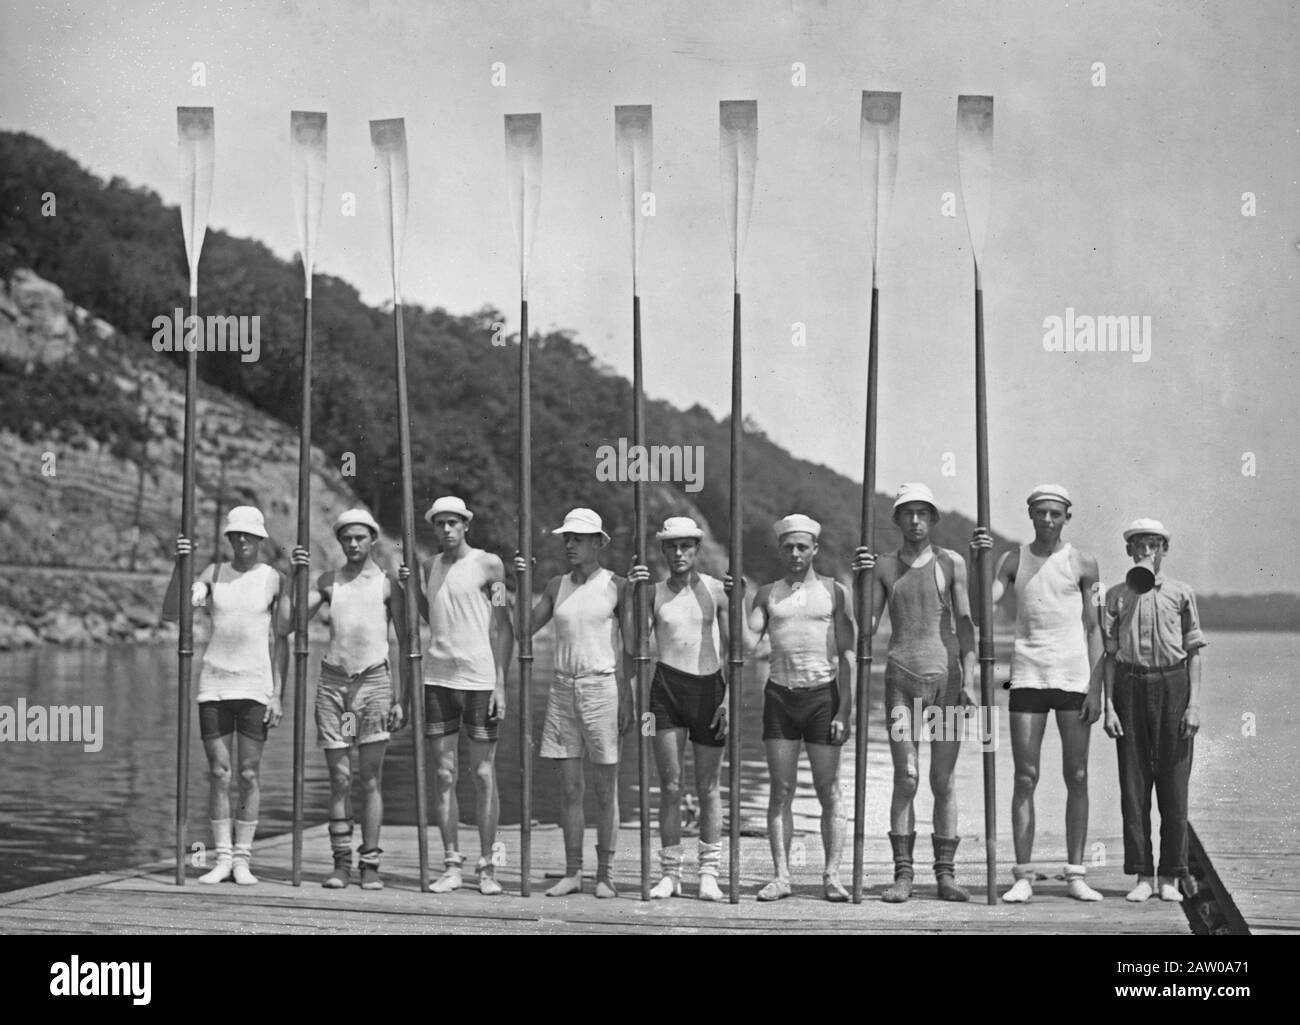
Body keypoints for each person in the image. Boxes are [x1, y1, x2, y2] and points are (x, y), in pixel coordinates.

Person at [971, 484, 1105, 902]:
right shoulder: (1012, 560)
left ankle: (1076, 873)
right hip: (1027, 677)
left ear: (1067, 517)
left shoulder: (1084, 563)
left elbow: (1095, 627)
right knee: (1025, 777)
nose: (1047, 520)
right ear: (1030, 515)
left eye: (1055, 514)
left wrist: (1097, 690)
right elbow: (980, 612)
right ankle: (1024, 875)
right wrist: (980, 559)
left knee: (1077, 775)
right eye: (1040, 513)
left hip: (1073, 680)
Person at [852, 483, 977, 902]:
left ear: (934, 519)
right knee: (907, 777)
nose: (916, 521)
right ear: (897, 520)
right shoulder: (885, 567)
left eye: (923, 513)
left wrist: (971, 681)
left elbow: (966, 627)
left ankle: (945, 875)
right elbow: (866, 630)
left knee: (942, 780)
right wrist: (858, 581)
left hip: (947, 683)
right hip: (901, 683)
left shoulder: (952, 562)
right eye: (908, 513)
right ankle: (903, 875)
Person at [727, 513, 855, 902]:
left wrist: (844, 711)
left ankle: (832, 875)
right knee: (780, 789)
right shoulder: (767, 594)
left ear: (815, 549)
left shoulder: (834, 592)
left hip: (822, 697)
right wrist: (734, 601)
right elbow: (748, 643)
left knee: (827, 788)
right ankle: (782, 876)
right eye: (788, 547)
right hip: (780, 697)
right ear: (781, 550)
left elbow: (849, 654)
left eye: (803, 546)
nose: (796, 553)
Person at [162, 505, 289, 885]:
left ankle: (242, 860)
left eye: (249, 534)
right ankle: (221, 857)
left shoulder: (273, 578)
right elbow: (174, 613)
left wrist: (278, 693)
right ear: (229, 539)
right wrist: (181, 567)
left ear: (261, 539)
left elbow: (284, 637)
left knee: (248, 773)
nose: (242, 540)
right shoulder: (213, 574)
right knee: (219, 773)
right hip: (214, 685)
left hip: (255, 687)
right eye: (235, 535)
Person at [514, 508, 633, 898]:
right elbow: (524, 632)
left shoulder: (617, 585)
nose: (570, 544)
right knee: (569, 789)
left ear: (598, 543)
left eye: (578, 538)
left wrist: (628, 696)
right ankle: (572, 872)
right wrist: (521, 580)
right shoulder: (554, 585)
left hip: (601, 688)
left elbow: (634, 648)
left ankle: (606, 874)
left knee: (605, 789)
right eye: (566, 537)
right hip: (563, 689)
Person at [400, 496, 513, 896]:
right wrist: (409, 587)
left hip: (480, 680)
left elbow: (503, 626)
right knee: (444, 774)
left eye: (453, 523)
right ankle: (451, 864)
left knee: (483, 774)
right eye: (440, 524)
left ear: (466, 525)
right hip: (439, 680)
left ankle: (487, 867)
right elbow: (433, 616)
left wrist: (500, 683)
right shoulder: (429, 566)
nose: (446, 530)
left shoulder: (489, 564)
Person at [290, 508, 406, 891]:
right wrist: (297, 576)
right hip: (335, 685)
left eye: (360, 537)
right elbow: (287, 624)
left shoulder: (389, 584)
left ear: (373, 539)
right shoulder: (327, 582)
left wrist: (401, 698)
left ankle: (369, 864)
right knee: (340, 778)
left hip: (374, 682)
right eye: (346, 538)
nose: (353, 544)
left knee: (370, 778)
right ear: (339, 541)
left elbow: (407, 642)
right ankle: (341, 864)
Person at [1101, 518, 1206, 903]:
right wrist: (1109, 706)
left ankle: (1171, 877)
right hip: (1129, 685)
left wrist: (1193, 704)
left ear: (1164, 550)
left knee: (1174, 785)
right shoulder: (1115, 596)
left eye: (1154, 544)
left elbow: (1194, 652)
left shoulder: (1181, 593)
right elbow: (1109, 657)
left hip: (1174, 685)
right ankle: (1143, 874)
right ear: (1129, 550)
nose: (1146, 551)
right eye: (1139, 545)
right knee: (1134, 784)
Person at [627, 516, 729, 901]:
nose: (679, 553)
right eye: (672, 546)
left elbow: (738, 649)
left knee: (708, 787)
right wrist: (633, 594)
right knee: (669, 786)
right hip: (663, 693)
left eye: (687, 546)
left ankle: (708, 873)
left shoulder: (717, 590)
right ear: (663, 551)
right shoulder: (653, 592)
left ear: (697, 549)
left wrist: (730, 698)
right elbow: (634, 645)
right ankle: (670, 873)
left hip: (710, 690)